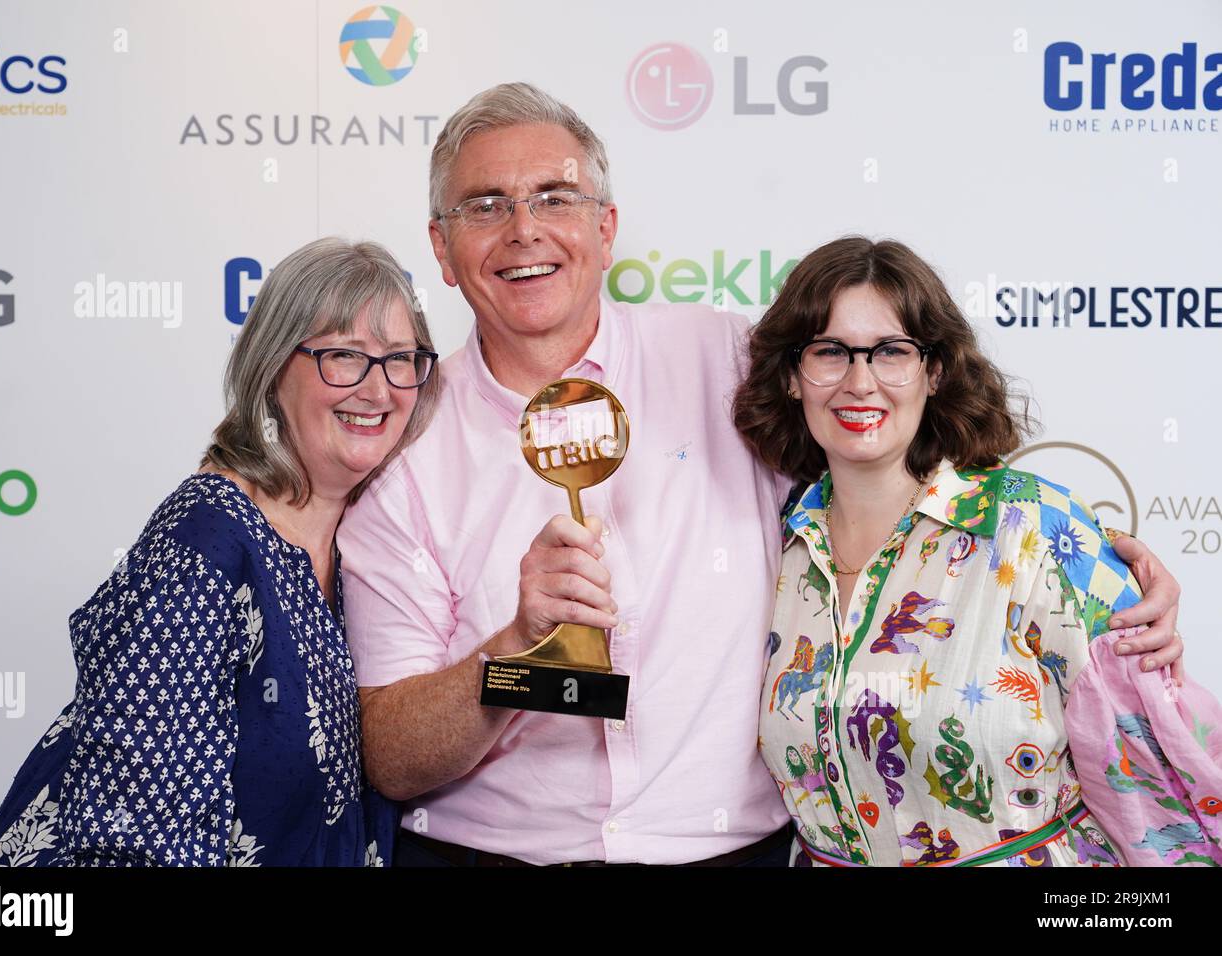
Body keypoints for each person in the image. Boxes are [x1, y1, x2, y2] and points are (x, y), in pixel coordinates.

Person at [339, 82, 1185, 867]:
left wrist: (1083, 560)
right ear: (442, 249)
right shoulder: (400, 445)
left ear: (605, 229)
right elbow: (394, 757)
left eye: (555, 197)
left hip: (735, 860)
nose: (524, 228)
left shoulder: (725, 359)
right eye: (486, 205)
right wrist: (516, 650)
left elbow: (891, 451)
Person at [733, 236, 1221, 866]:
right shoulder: (775, 546)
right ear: (793, 378)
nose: (860, 382)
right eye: (829, 352)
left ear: (934, 372)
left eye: (891, 352)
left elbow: (1158, 771)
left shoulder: (1034, 525)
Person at [0, 238, 442, 866]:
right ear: (274, 371)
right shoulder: (205, 542)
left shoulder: (365, 543)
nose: (377, 389)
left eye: (399, 359)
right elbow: (132, 836)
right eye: (343, 356)